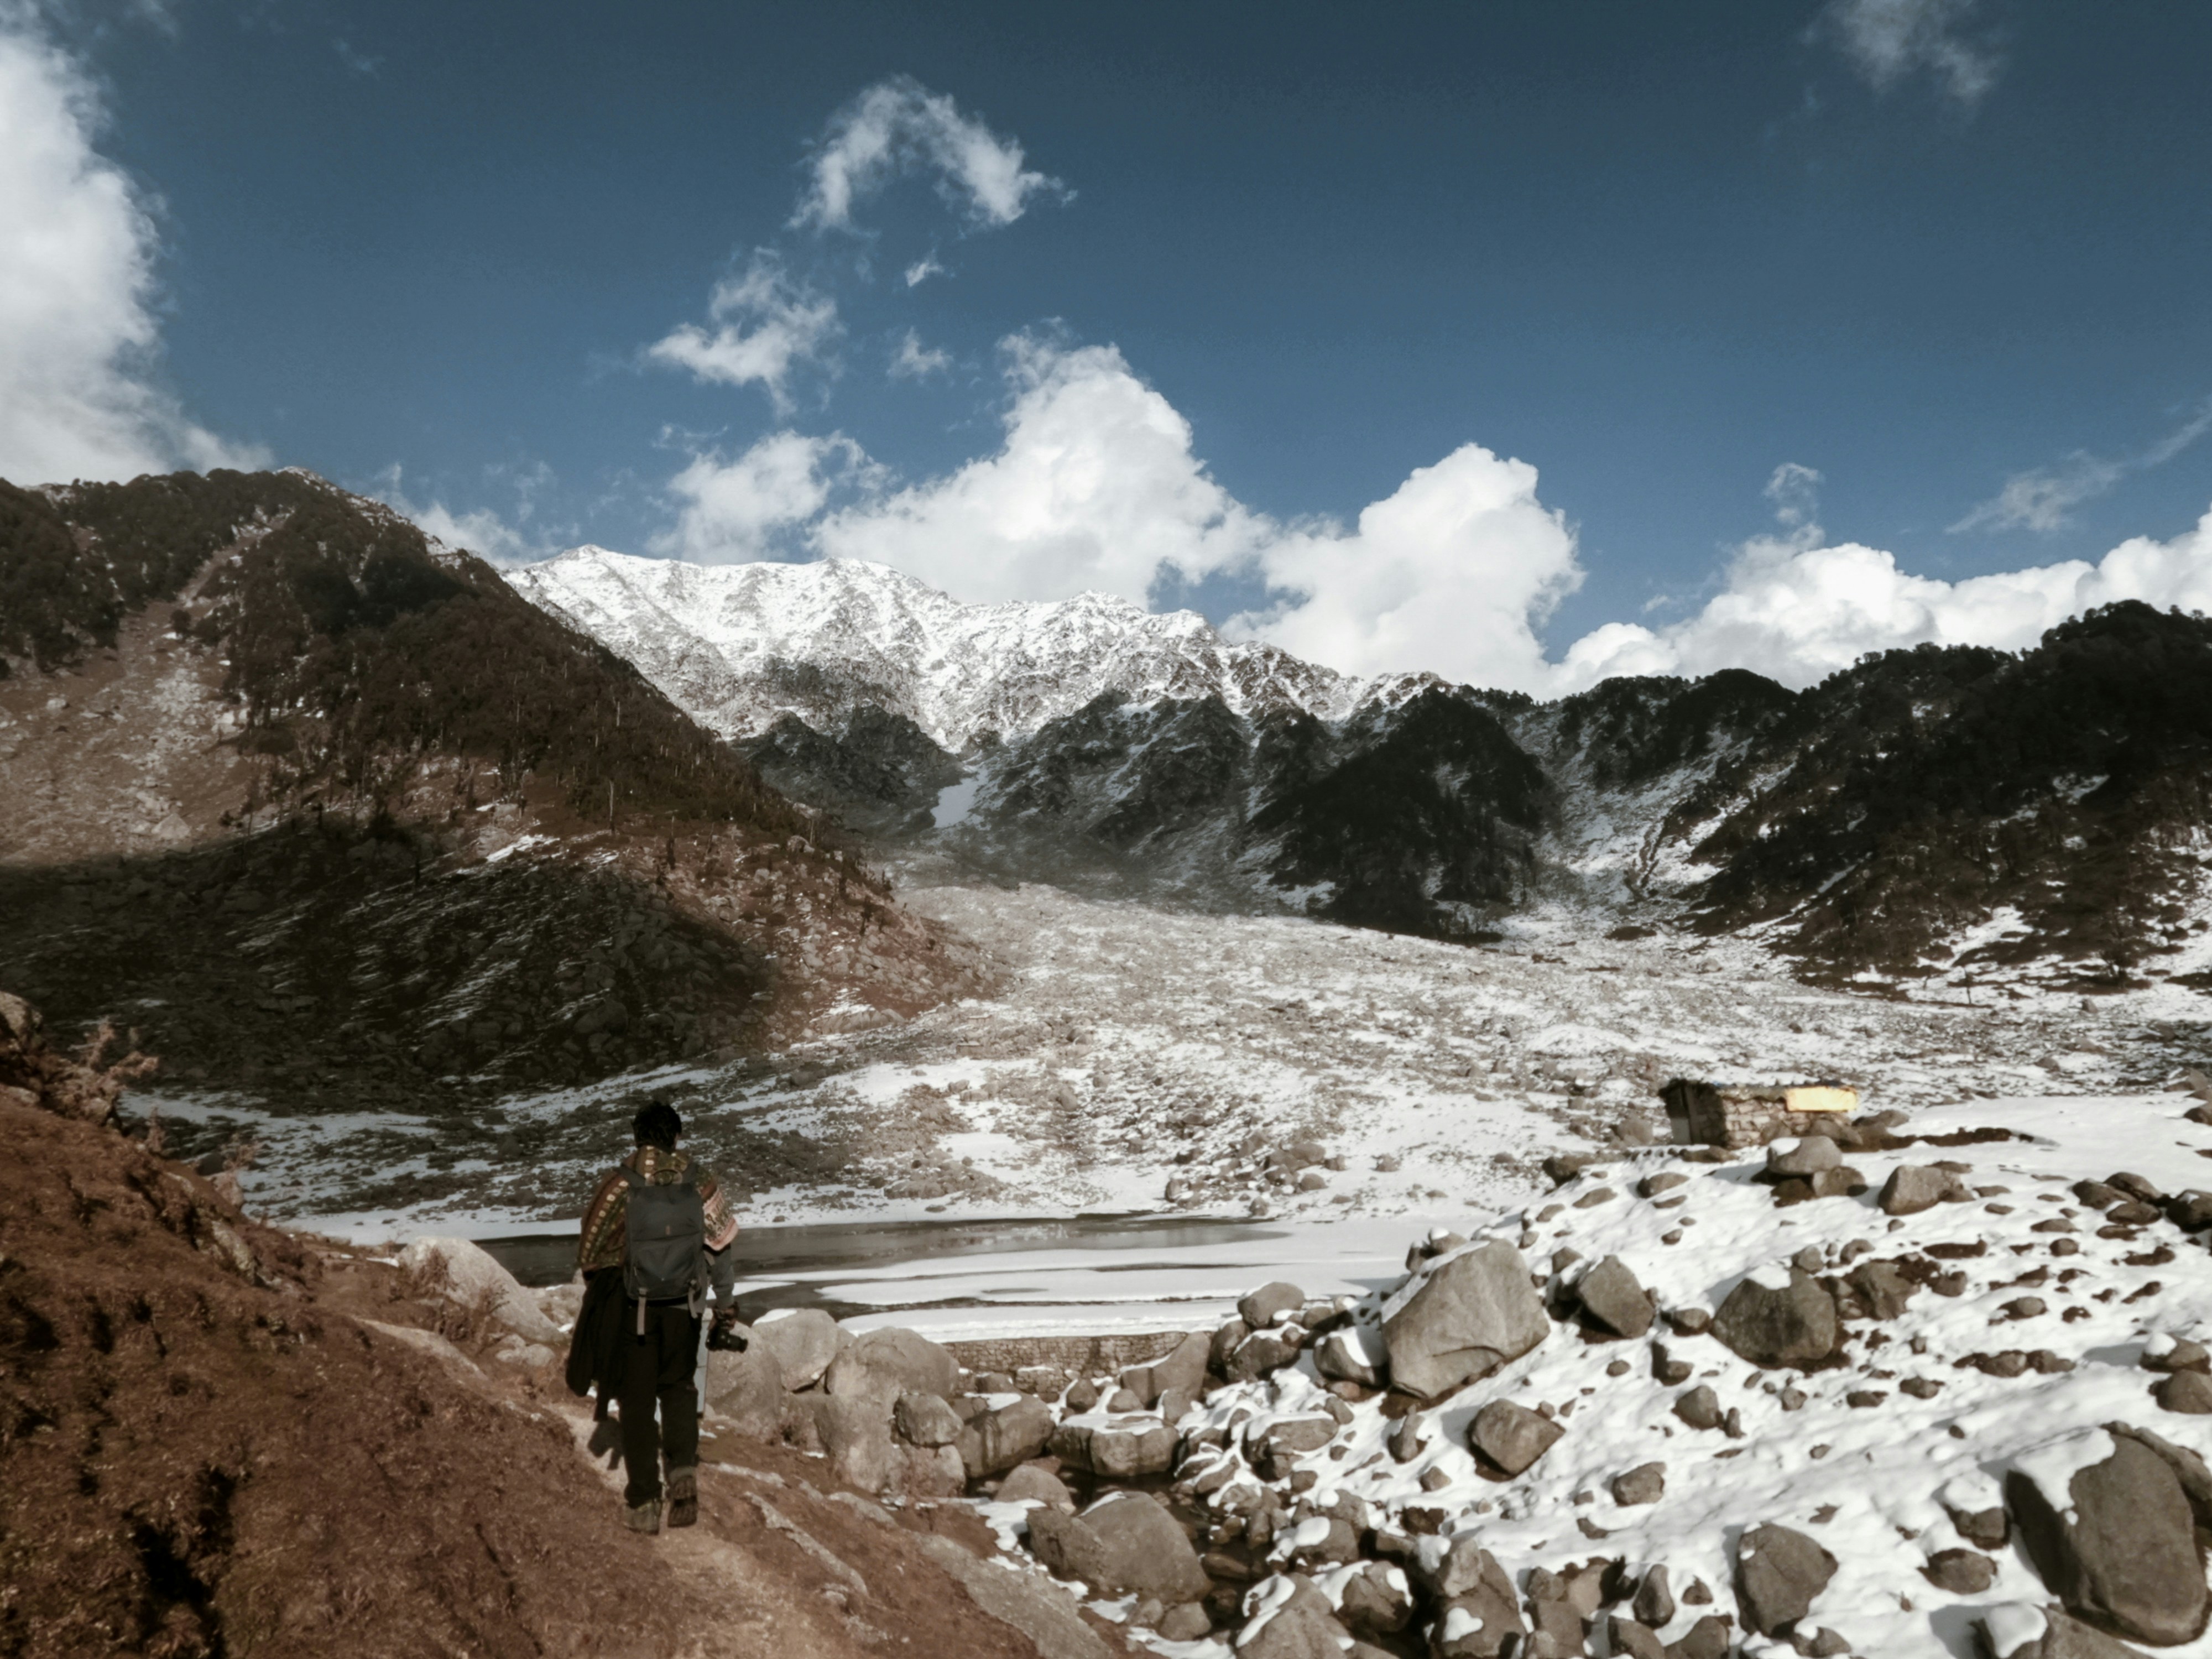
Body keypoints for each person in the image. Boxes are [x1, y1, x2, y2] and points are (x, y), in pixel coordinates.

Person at [570, 1098, 742, 1533]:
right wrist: (724, 1303)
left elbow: (589, 1253)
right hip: (685, 1307)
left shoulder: (618, 1184)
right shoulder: (699, 1180)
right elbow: (722, 1247)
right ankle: (683, 1470)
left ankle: (644, 1502)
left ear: (636, 1135)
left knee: (638, 1402)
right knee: (680, 1389)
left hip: (636, 1310)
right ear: (677, 1135)